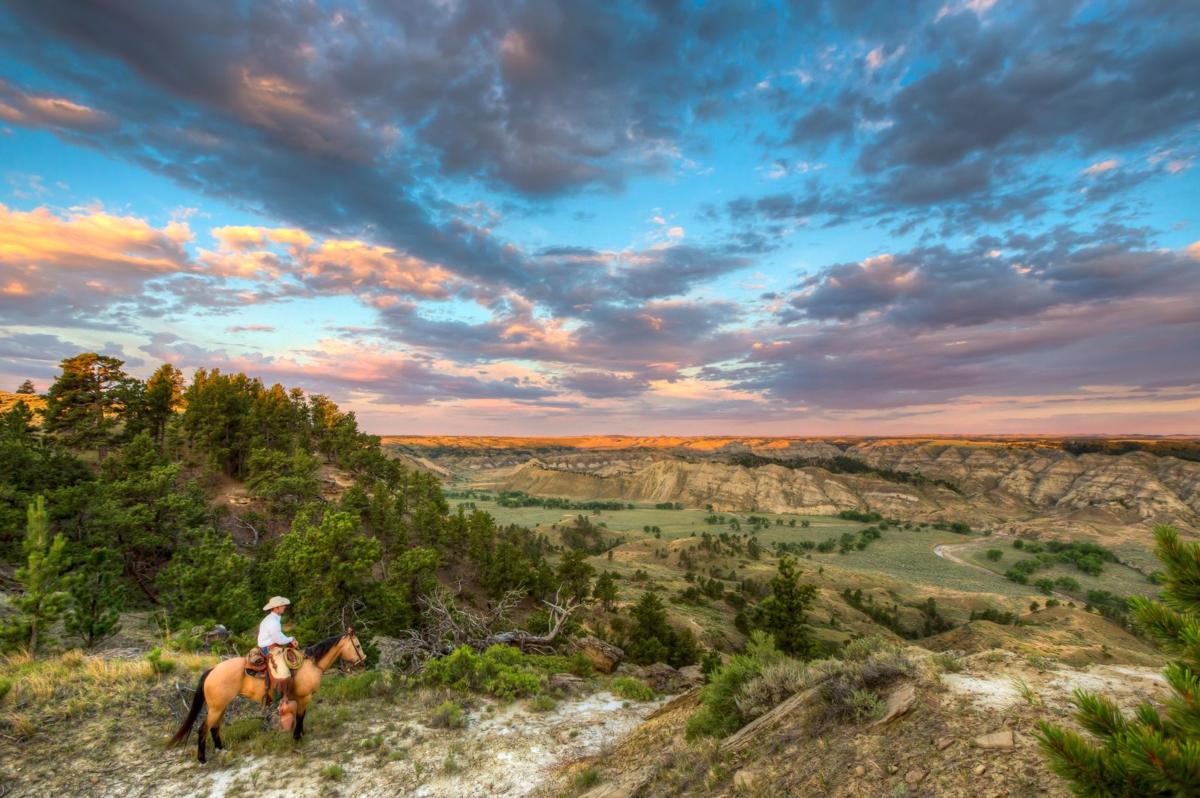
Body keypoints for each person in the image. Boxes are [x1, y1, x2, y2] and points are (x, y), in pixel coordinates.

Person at [258, 596, 298, 691]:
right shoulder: (273, 622)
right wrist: (291, 638)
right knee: (283, 673)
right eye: (282, 605)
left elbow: (278, 635)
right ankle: (281, 698)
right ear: (276, 608)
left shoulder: (272, 619)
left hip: (270, 645)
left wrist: (289, 639)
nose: (284, 607)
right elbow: (279, 639)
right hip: (269, 648)